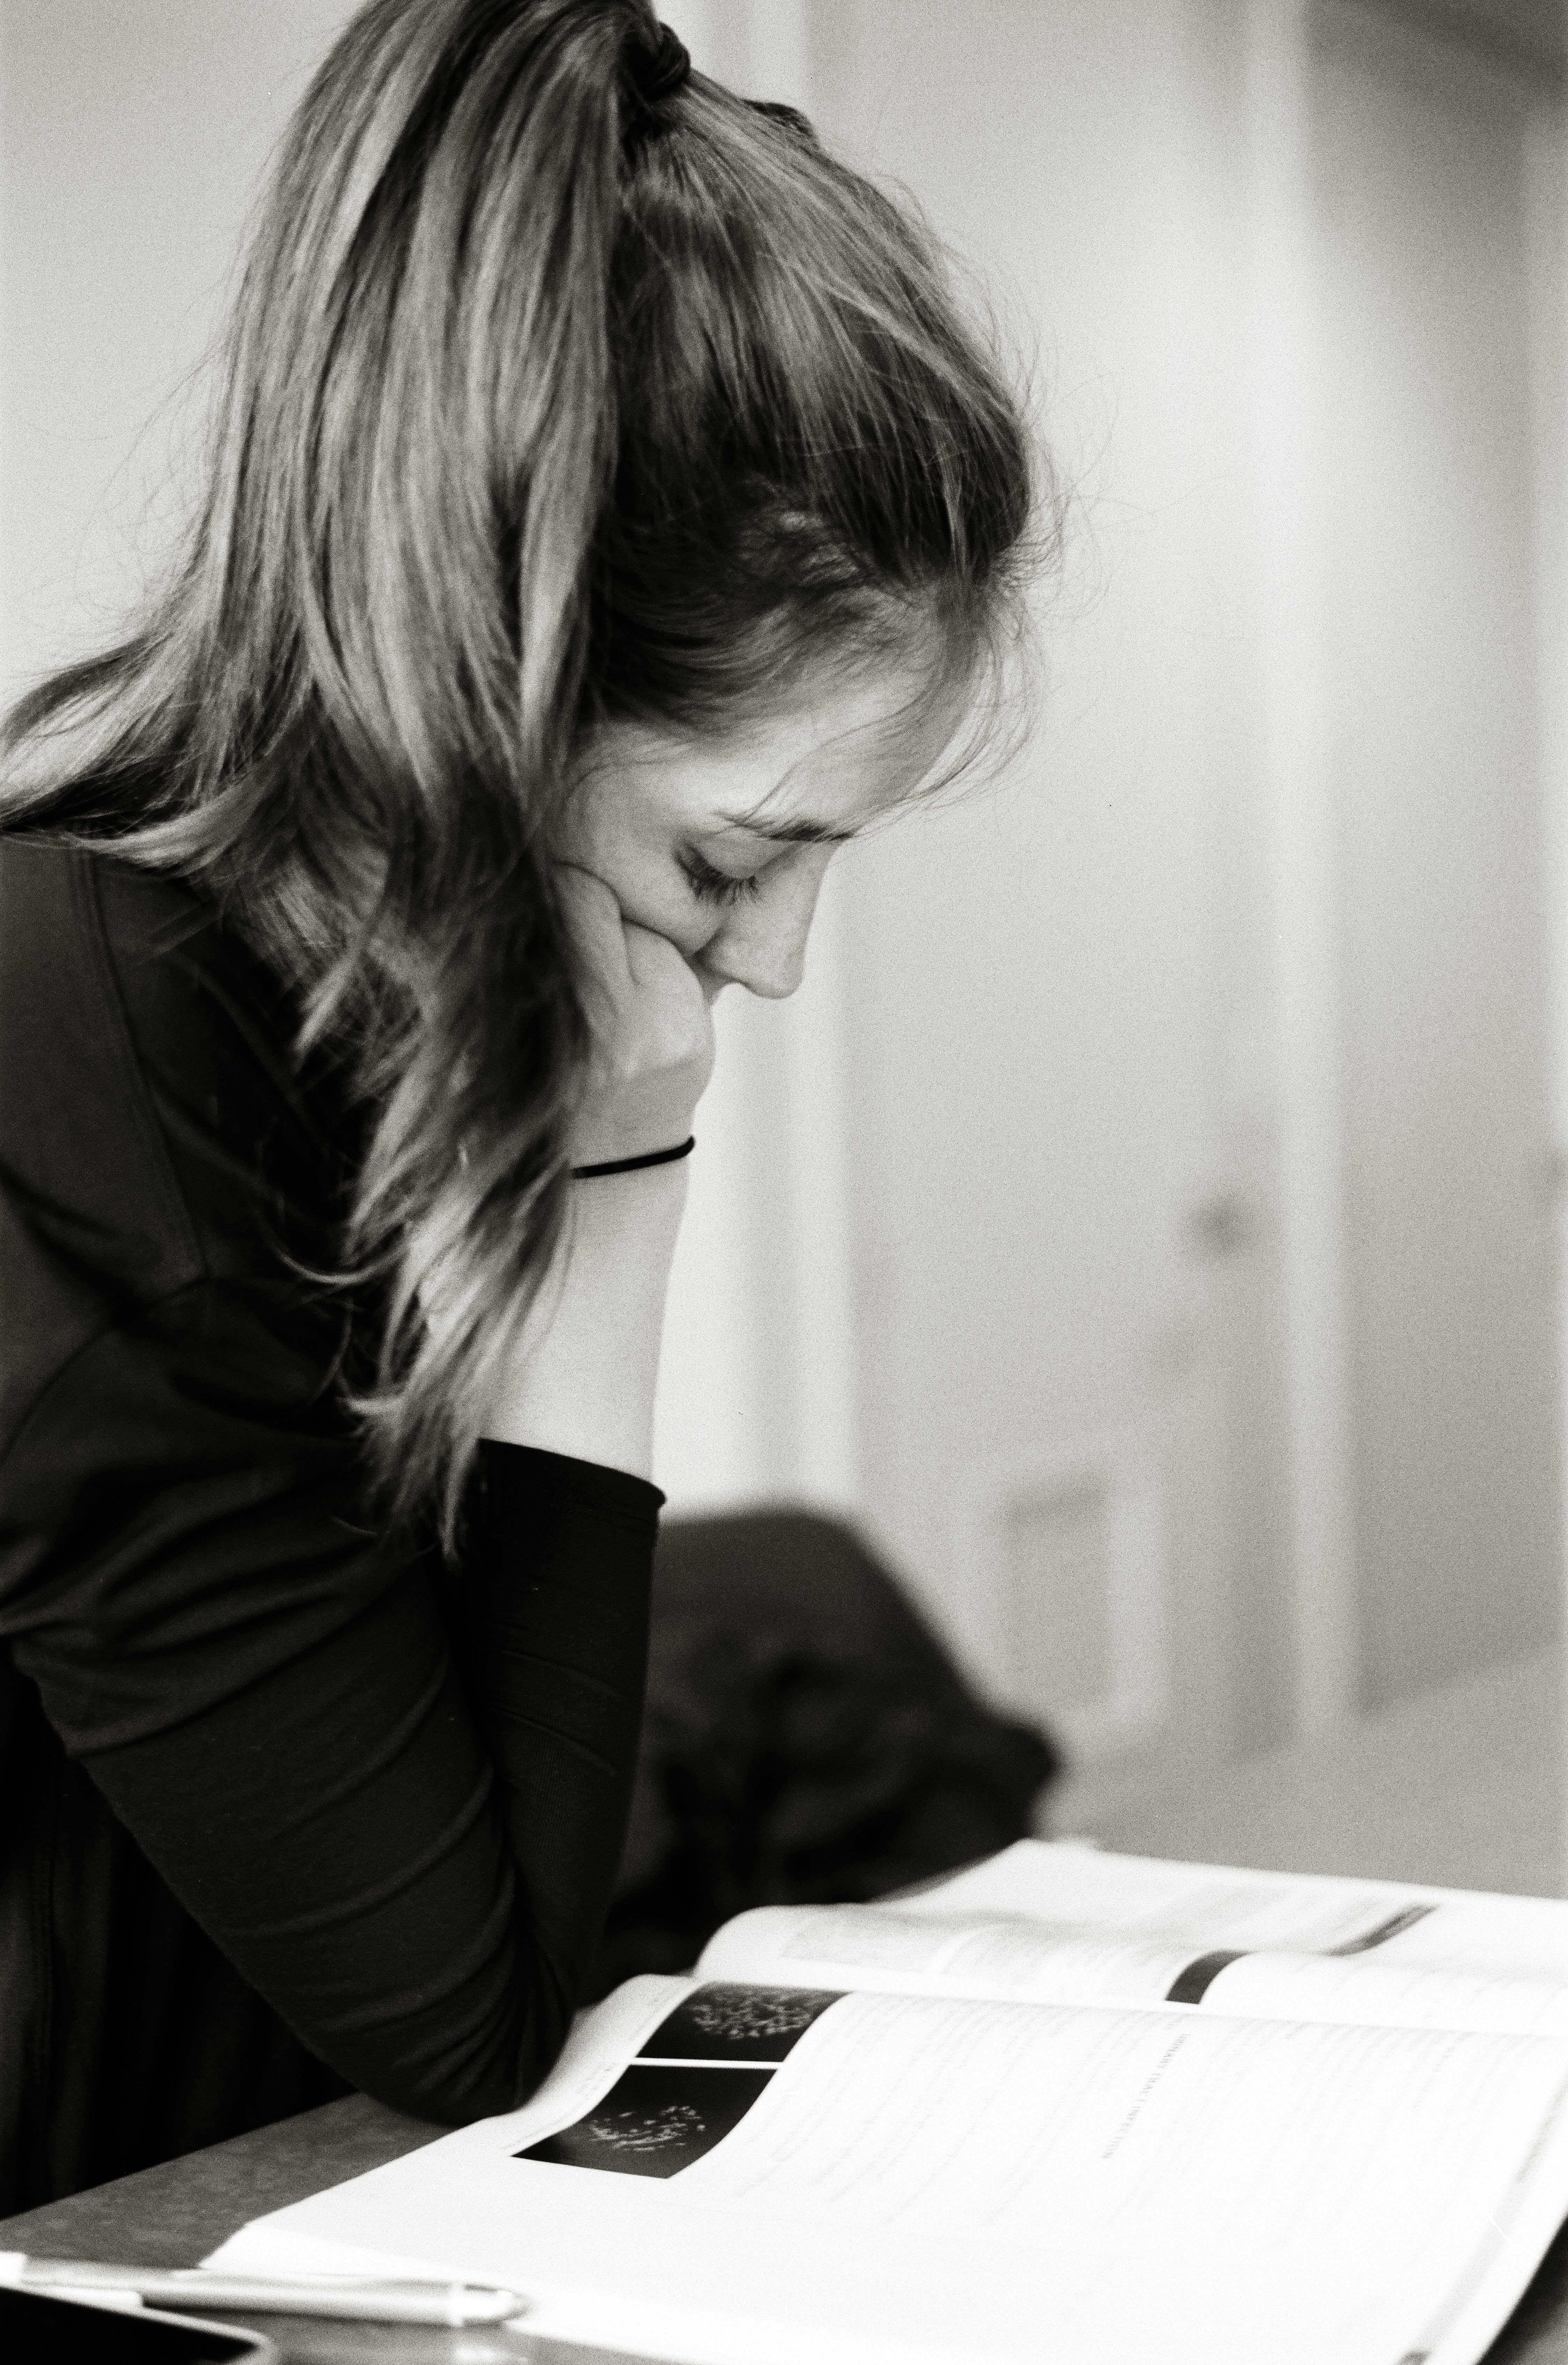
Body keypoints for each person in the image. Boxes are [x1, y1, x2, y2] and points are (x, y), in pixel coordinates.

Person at [0, 0, 1037, 2211]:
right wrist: (625, 1179)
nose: (764, 966)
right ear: (493, 685)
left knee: (815, 1662)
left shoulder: (265, 999)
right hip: (113, 2188)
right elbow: (471, 2013)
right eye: (739, 859)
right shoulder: (82, 1043)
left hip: (239, 2078)